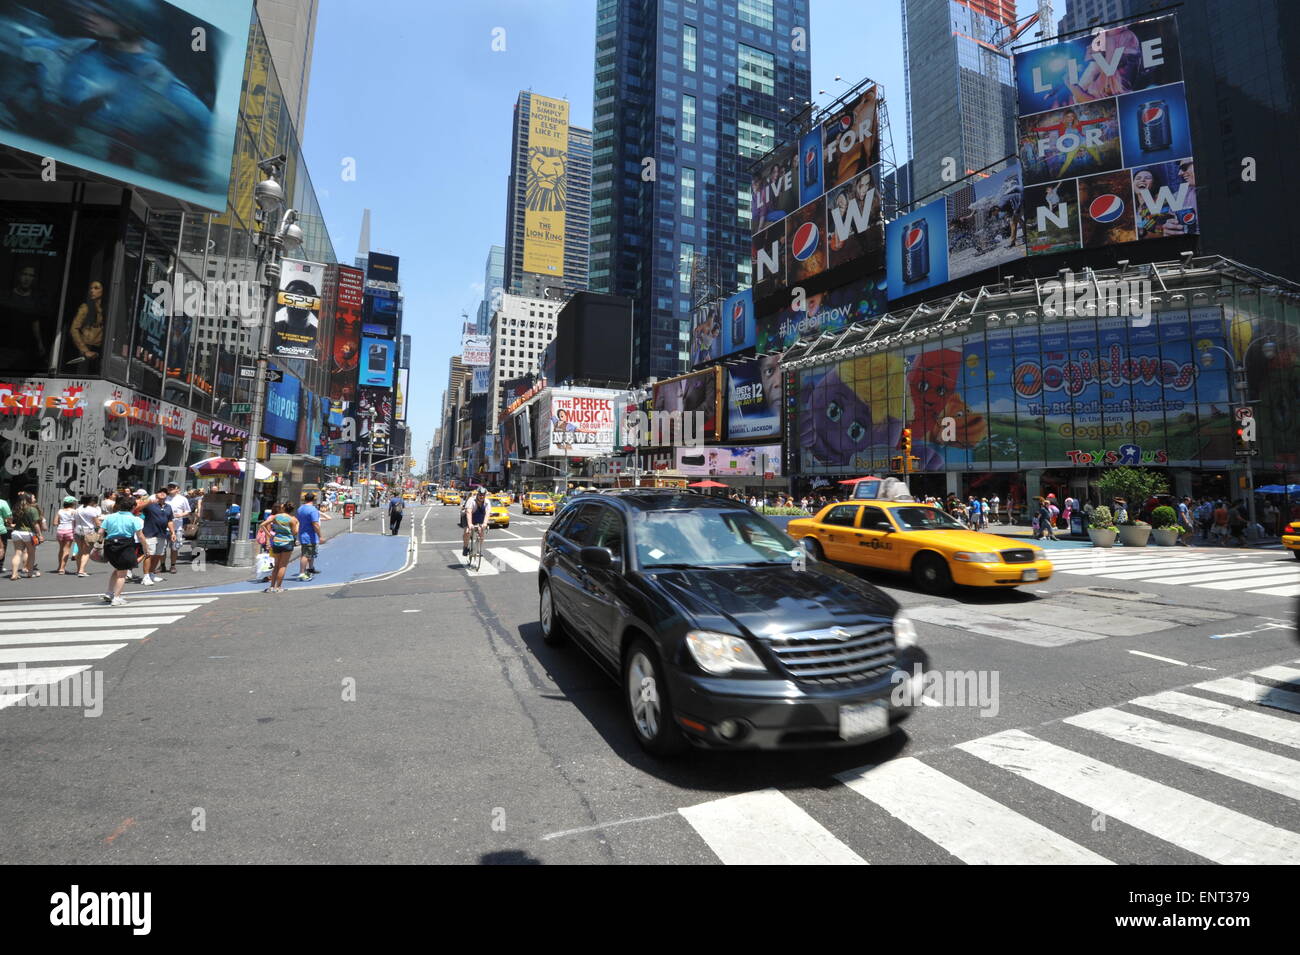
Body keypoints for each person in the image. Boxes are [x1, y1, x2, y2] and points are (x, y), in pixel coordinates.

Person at [100, 492, 147, 607]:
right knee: (122, 573)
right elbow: (140, 536)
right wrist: (146, 548)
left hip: (109, 544)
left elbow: (100, 532)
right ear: (133, 507)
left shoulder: (110, 517)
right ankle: (116, 598)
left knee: (117, 569)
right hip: (125, 545)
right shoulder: (134, 519)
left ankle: (109, 592)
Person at [258, 503, 298, 593]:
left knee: (276, 565)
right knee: (283, 565)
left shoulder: (276, 516)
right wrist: (297, 524)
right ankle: (278, 587)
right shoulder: (292, 519)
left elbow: (262, 525)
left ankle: (271, 586)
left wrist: (270, 535)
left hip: (276, 541)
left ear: (283, 508)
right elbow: (295, 532)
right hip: (287, 542)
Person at [138, 488, 174, 585]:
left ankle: (151, 573)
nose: (163, 493)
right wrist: (148, 502)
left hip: (162, 534)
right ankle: (145, 577)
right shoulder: (150, 505)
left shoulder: (168, 507)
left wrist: (173, 532)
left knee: (158, 555)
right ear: (156, 494)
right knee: (149, 555)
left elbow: (170, 520)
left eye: (165, 492)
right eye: (160, 492)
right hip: (150, 533)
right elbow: (137, 509)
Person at [8, 492, 44, 579]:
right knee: (31, 553)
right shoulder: (32, 509)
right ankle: (30, 573)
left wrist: (11, 525)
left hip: (16, 532)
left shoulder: (16, 508)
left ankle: (14, 574)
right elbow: (35, 524)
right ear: (29, 499)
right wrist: (40, 535)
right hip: (28, 533)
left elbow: (9, 519)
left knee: (17, 553)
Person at [296, 492, 326, 581]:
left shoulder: (300, 508)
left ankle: (308, 570)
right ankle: (302, 573)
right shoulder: (313, 510)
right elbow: (315, 524)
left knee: (307, 553)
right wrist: (320, 536)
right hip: (309, 535)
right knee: (306, 555)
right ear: (313, 500)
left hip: (302, 533)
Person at [163, 482, 190, 573]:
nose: (170, 488)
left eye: (173, 487)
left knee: (174, 547)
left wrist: (181, 514)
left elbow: (188, 511)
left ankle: (173, 565)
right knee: (162, 548)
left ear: (178, 489)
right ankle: (162, 565)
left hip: (177, 527)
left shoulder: (183, 499)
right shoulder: (164, 497)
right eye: (169, 486)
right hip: (163, 526)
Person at [72, 494, 102, 577]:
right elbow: (97, 522)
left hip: (78, 531)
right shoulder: (92, 510)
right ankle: (82, 571)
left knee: (80, 551)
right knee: (86, 552)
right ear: (91, 501)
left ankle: (78, 570)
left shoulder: (77, 509)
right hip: (88, 531)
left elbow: (74, 521)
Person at [462, 487, 489, 558]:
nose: (481, 497)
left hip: (479, 516)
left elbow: (487, 514)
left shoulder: (487, 502)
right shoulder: (471, 500)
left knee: (481, 531)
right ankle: (465, 547)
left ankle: (479, 550)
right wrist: (470, 524)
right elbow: (468, 512)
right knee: (467, 531)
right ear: (477, 494)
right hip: (468, 516)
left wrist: (485, 524)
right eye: (480, 495)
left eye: (483, 495)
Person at [54, 495, 79, 573]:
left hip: (60, 530)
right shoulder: (74, 511)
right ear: (72, 503)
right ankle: (62, 568)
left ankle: (59, 567)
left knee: (61, 549)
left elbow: (55, 522)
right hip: (69, 530)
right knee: (67, 549)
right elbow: (76, 522)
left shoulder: (60, 511)